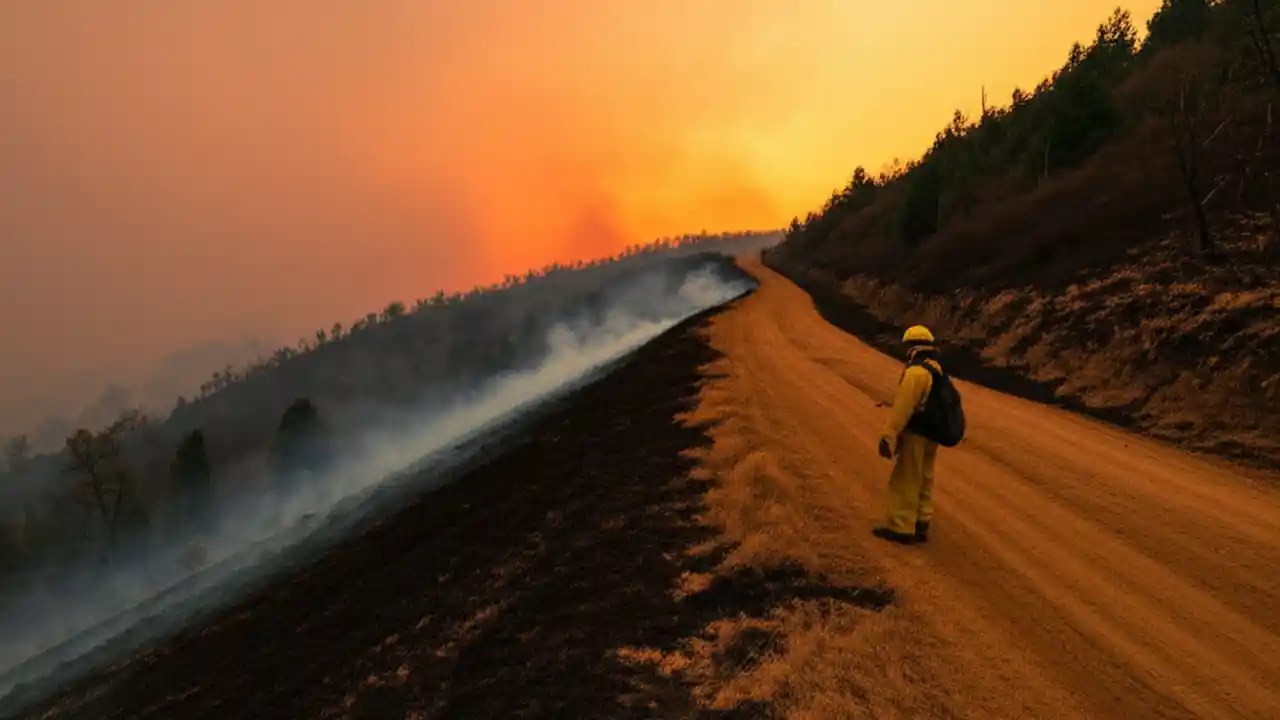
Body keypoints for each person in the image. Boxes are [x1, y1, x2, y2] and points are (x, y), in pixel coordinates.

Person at [874, 325, 942, 545]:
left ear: (912, 346)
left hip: (916, 433)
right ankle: (922, 521)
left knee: (905, 479)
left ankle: (901, 527)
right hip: (933, 434)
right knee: (925, 477)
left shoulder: (915, 373)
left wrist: (888, 435)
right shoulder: (937, 370)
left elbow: (903, 409)